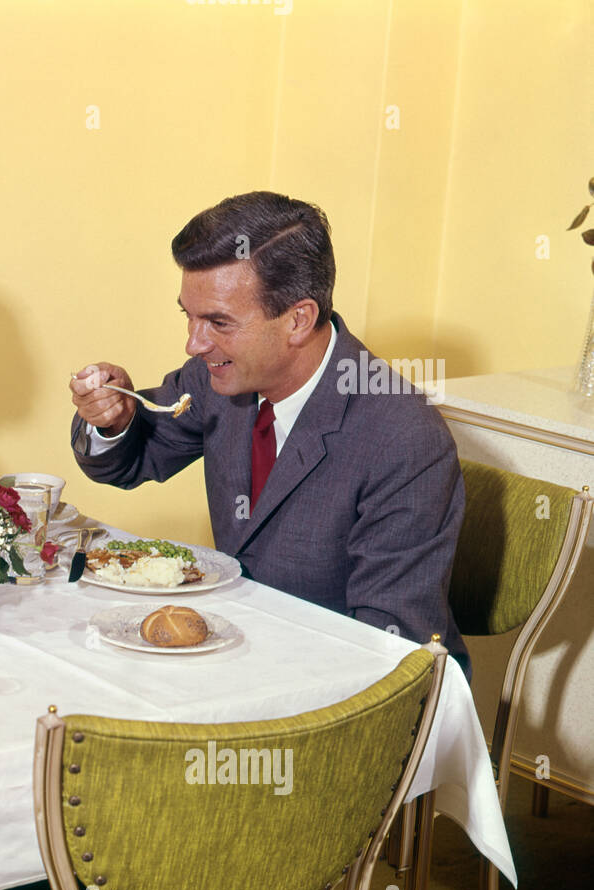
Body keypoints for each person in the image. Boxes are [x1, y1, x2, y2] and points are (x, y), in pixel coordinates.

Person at [69, 191, 470, 676]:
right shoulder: (219, 379)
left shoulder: (402, 438)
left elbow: (388, 653)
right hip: (241, 659)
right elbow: (130, 461)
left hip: (342, 692)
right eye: (189, 316)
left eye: (218, 322)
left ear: (298, 319)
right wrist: (113, 419)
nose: (193, 344)